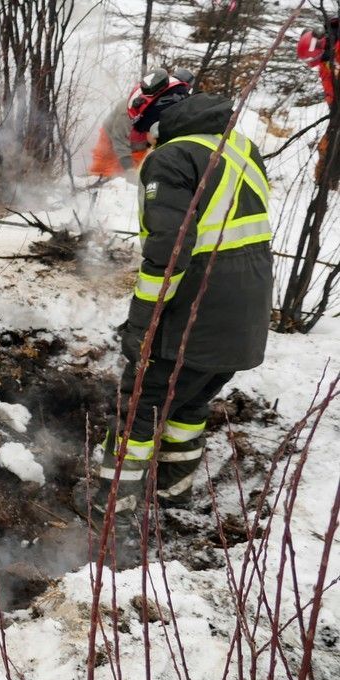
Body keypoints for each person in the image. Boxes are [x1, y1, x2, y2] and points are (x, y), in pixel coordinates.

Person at [94, 83, 273, 522]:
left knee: (138, 410)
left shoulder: (172, 158)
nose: (143, 141)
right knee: (189, 404)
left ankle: (110, 512)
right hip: (246, 312)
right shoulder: (239, 147)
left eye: (142, 130)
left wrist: (141, 325)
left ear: (153, 120)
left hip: (196, 310)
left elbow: (168, 254)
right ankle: (173, 496)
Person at [89, 68, 195, 182]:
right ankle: (97, 181)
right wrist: (129, 169)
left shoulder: (172, 99)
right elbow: (119, 140)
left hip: (141, 144)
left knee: (137, 169)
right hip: (113, 137)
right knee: (104, 166)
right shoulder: (129, 111)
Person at [297, 20, 340, 188]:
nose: (311, 63)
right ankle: (327, 183)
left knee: (330, 147)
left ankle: (328, 182)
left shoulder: (334, 53)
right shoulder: (326, 60)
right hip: (335, 106)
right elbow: (329, 84)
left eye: (311, 59)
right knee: (327, 147)